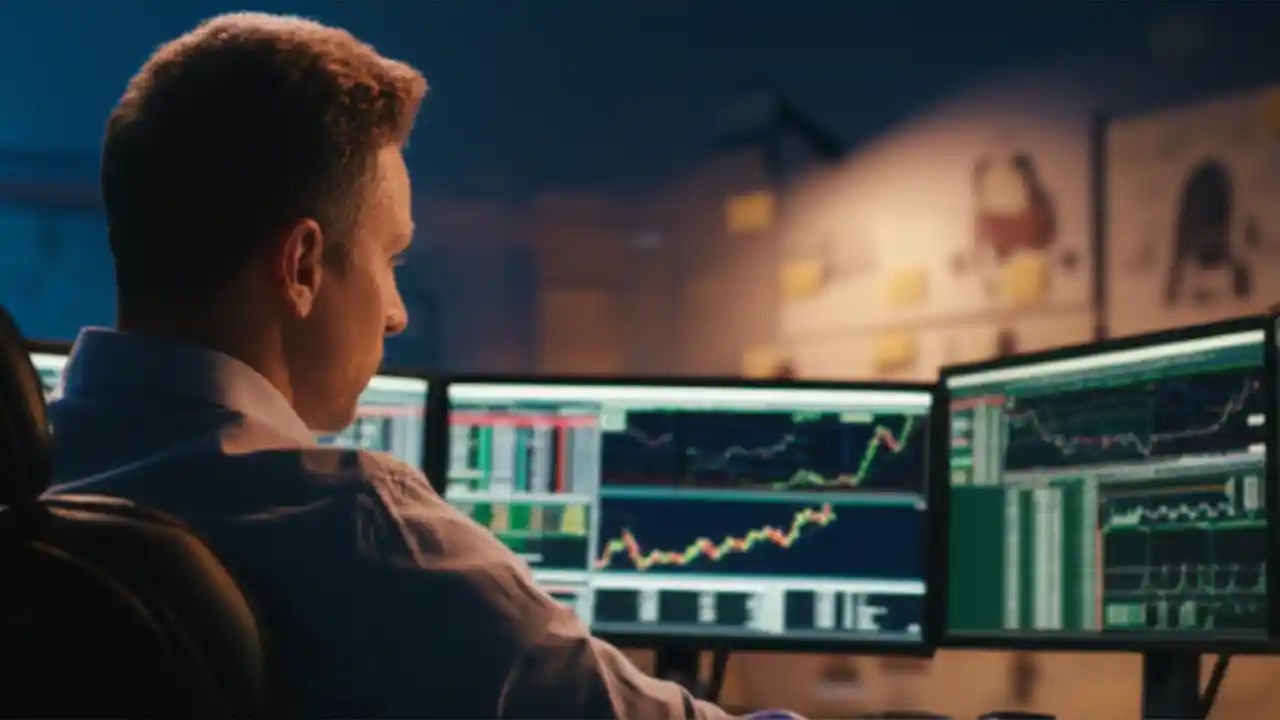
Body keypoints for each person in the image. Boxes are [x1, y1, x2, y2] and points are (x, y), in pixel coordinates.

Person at [46, 12, 800, 720]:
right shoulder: (361, 532)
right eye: (391, 258)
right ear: (303, 265)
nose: (397, 311)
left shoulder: (32, 481)